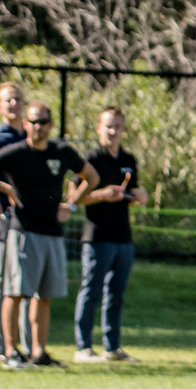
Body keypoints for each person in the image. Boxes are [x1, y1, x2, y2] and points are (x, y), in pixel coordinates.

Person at [0, 101, 98, 370]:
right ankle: (11, 352)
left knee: (44, 295)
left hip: (52, 232)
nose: (38, 127)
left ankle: (39, 352)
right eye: (33, 122)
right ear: (26, 125)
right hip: (23, 231)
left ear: (50, 125)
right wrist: (6, 189)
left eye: (43, 122)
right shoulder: (15, 152)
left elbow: (91, 177)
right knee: (15, 292)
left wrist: (71, 205)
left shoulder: (62, 152)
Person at [73, 105, 147, 363]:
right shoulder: (91, 160)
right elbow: (74, 198)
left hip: (123, 238)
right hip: (97, 236)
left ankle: (112, 346)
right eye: (108, 126)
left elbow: (131, 192)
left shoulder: (129, 160)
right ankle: (83, 347)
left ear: (123, 129)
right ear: (98, 128)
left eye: (117, 126)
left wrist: (139, 196)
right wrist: (102, 194)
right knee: (91, 291)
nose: (113, 131)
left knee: (116, 294)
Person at [0, 82, 29, 362]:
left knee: (22, 285)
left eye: (17, 99)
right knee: (1, 282)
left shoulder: (27, 136)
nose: (13, 104)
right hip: (3, 222)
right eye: (7, 100)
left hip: (25, 224)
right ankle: (2, 347)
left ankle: (24, 346)